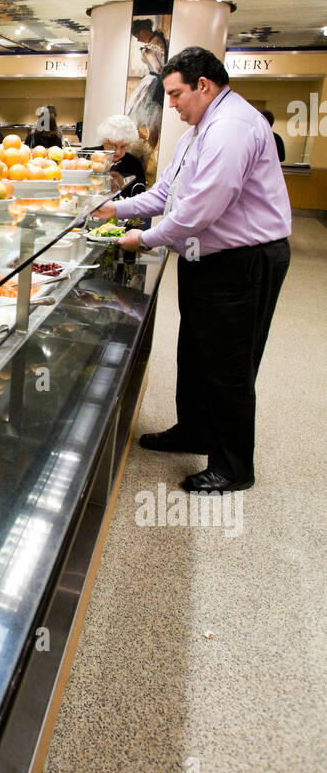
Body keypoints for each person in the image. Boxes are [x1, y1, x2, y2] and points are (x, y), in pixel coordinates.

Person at [94, 45, 292, 494]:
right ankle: (194, 431)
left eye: (177, 94)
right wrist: (115, 210)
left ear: (204, 85)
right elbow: (167, 194)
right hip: (206, 258)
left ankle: (234, 466)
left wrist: (143, 238)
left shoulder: (233, 127)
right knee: (197, 352)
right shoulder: (198, 131)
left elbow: (200, 208)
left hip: (242, 262)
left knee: (229, 365)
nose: (172, 104)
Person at [127, 19, 167, 150]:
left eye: (138, 36)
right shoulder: (161, 41)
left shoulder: (148, 49)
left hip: (153, 83)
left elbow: (157, 68)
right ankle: (148, 149)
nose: (138, 39)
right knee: (153, 123)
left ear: (143, 32)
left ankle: (145, 149)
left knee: (135, 118)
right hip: (160, 82)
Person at [96, 114, 146, 194]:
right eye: (113, 146)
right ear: (104, 142)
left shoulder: (134, 164)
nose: (118, 152)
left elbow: (140, 195)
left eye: (123, 146)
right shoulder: (87, 157)